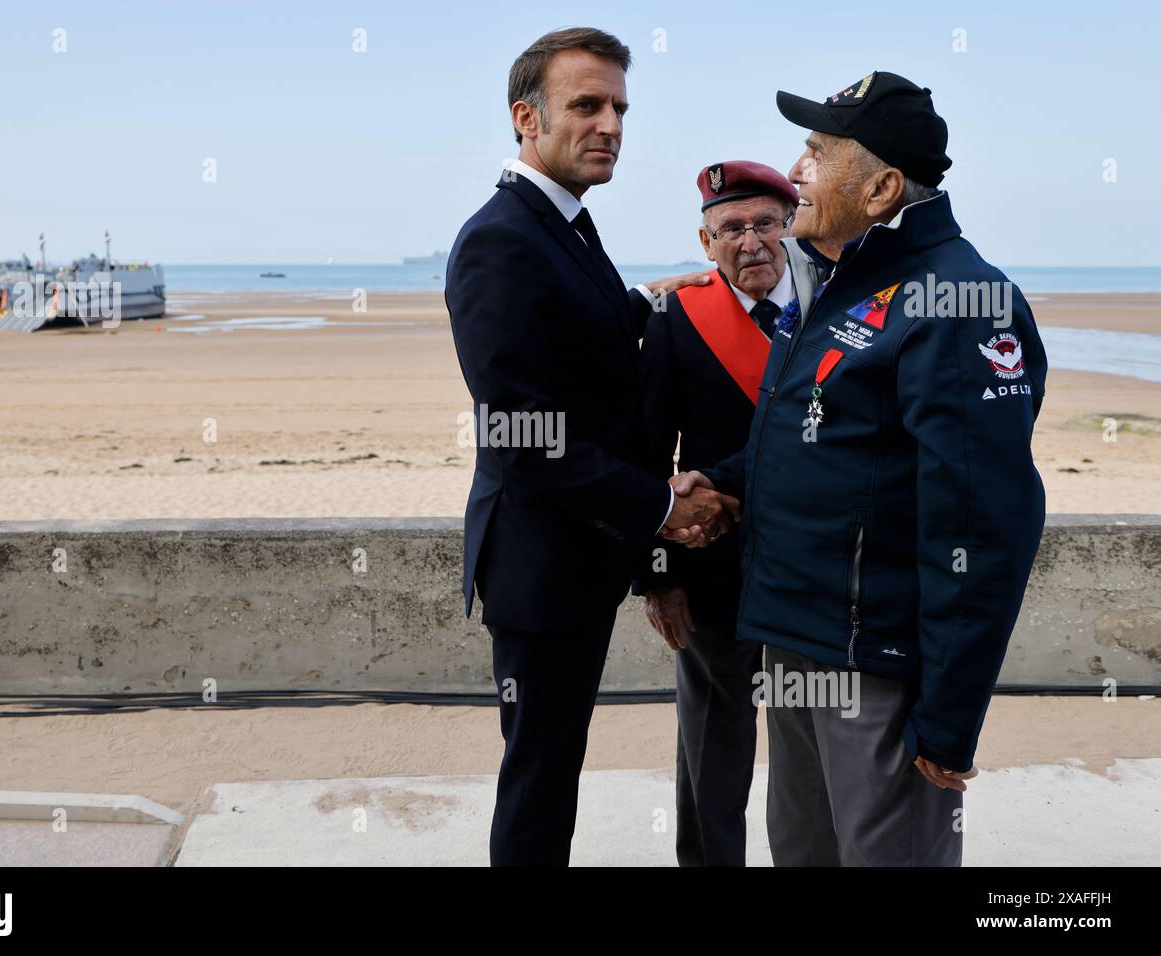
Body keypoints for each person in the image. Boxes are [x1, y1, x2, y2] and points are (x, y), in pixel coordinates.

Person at [668, 71, 1047, 866]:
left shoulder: (960, 300)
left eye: (816, 152)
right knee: (803, 854)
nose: (795, 170)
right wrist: (724, 485)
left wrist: (949, 717)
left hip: (876, 665)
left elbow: (982, 526)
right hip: (792, 642)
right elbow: (815, 439)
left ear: (878, 187)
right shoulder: (842, 283)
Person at [445, 27, 734, 866]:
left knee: (554, 769)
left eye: (618, 107)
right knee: (538, 783)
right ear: (525, 119)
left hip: (576, 557)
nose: (609, 124)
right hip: (539, 566)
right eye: (586, 105)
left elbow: (578, 338)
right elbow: (518, 428)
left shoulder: (565, 224)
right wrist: (659, 505)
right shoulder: (503, 238)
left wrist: (647, 301)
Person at [635, 160, 819, 865]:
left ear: (790, 227)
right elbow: (649, 452)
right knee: (714, 741)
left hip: (812, 559)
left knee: (817, 735)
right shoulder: (678, 317)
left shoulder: (828, 306)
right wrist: (655, 573)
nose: (752, 242)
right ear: (705, 242)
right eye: (731, 229)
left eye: (767, 223)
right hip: (711, 566)